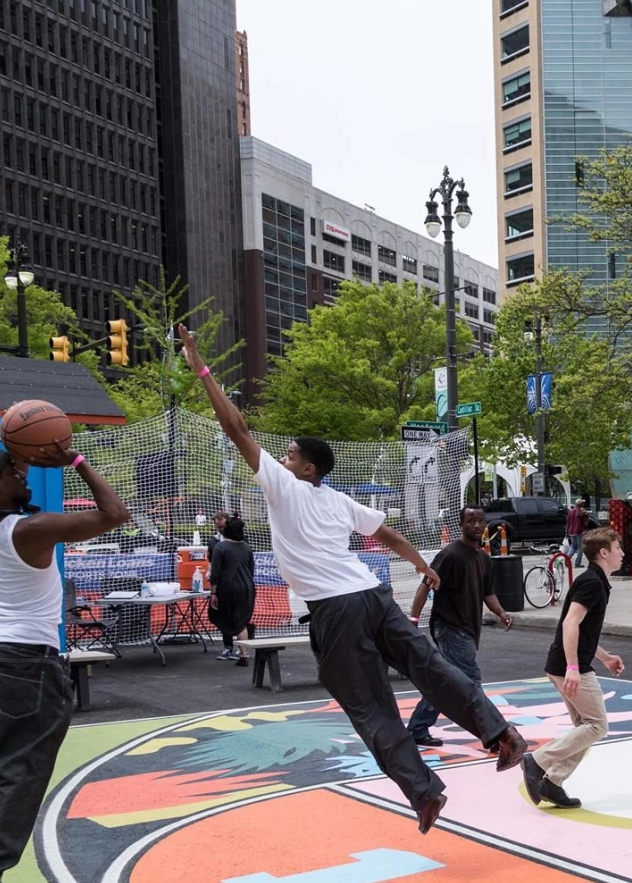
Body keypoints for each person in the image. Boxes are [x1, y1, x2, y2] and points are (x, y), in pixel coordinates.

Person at [180, 324, 527, 833]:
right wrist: (422, 564)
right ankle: (502, 736)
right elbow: (386, 535)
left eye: (293, 453)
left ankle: (423, 791)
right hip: (372, 596)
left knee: (370, 707)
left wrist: (202, 369)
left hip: (337, 609)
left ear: (308, 467)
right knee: (430, 668)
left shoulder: (285, 488)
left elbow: (237, 429)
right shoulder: (338, 500)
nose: (284, 458)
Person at [0, 443, 129, 883]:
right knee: (22, 767)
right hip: (28, 658)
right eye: (14, 470)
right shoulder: (30, 530)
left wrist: (19, 454)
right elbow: (115, 513)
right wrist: (74, 460)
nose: (23, 473)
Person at [522, 527, 627, 809]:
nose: (622, 554)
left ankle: (553, 783)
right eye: (618, 548)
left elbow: (583, 631)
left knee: (584, 727)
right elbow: (570, 624)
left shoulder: (595, 581)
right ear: (604, 553)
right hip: (570, 665)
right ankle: (537, 761)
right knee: (596, 726)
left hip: (566, 663)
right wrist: (572, 667)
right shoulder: (592, 582)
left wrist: (603, 657)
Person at [406, 506, 515, 747]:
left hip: (468, 628)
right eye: (471, 521)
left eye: (480, 521)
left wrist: (501, 613)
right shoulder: (450, 555)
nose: (476, 525)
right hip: (449, 627)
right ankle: (494, 734)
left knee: (445, 682)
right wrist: (413, 620)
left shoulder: (484, 559)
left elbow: (488, 593)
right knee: (471, 681)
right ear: (461, 524)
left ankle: (417, 728)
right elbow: (426, 585)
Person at [208, 515, 257, 662]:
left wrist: (213, 593)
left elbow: (215, 573)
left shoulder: (220, 547)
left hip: (228, 587)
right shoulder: (246, 547)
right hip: (247, 587)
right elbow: (251, 569)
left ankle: (233, 647)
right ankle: (243, 652)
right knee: (241, 619)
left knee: (224, 616)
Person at [564, 497, 589, 562]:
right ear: (580, 504)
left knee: (573, 546)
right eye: (582, 503)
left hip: (571, 532)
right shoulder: (581, 511)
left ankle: (568, 557)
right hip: (579, 531)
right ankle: (578, 563)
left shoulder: (570, 512)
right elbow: (586, 521)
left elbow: (568, 522)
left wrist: (567, 532)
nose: (583, 504)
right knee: (580, 548)